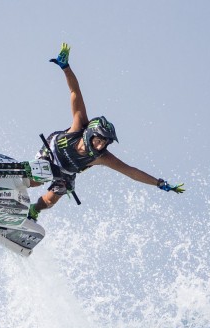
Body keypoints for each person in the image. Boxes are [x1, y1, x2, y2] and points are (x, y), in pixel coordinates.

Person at [27, 43, 185, 222]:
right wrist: (66, 67)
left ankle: (32, 210)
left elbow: (131, 171)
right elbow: (74, 92)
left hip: (66, 171)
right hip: (52, 152)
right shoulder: (80, 124)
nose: (101, 145)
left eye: (105, 143)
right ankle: (9, 183)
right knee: (40, 176)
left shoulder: (102, 157)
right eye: (99, 140)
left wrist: (159, 183)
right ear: (91, 133)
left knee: (54, 196)